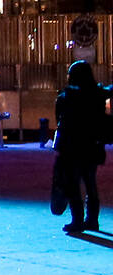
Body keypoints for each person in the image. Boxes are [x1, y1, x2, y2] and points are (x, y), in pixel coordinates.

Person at [52, 59, 109, 234]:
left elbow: (59, 119)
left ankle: (77, 220)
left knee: (73, 184)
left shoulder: (66, 96)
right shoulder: (98, 94)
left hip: (72, 147)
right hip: (92, 145)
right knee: (90, 183)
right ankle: (92, 220)